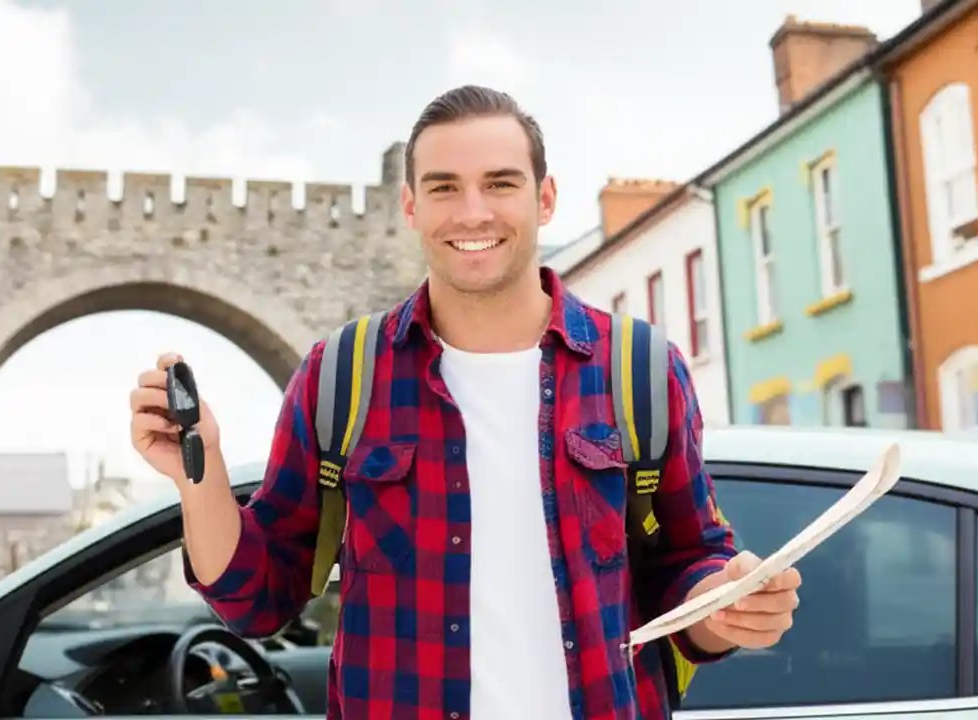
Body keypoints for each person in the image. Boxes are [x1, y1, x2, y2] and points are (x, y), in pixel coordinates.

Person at [129, 85, 802, 720]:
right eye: (444, 187)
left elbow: (689, 563)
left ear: (544, 199)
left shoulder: (641, 370)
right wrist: (201, 471)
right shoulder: (342, 374)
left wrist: (724, 610)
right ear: (411, 207)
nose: (473, 212)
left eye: (500, 184)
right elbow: (256, 598)